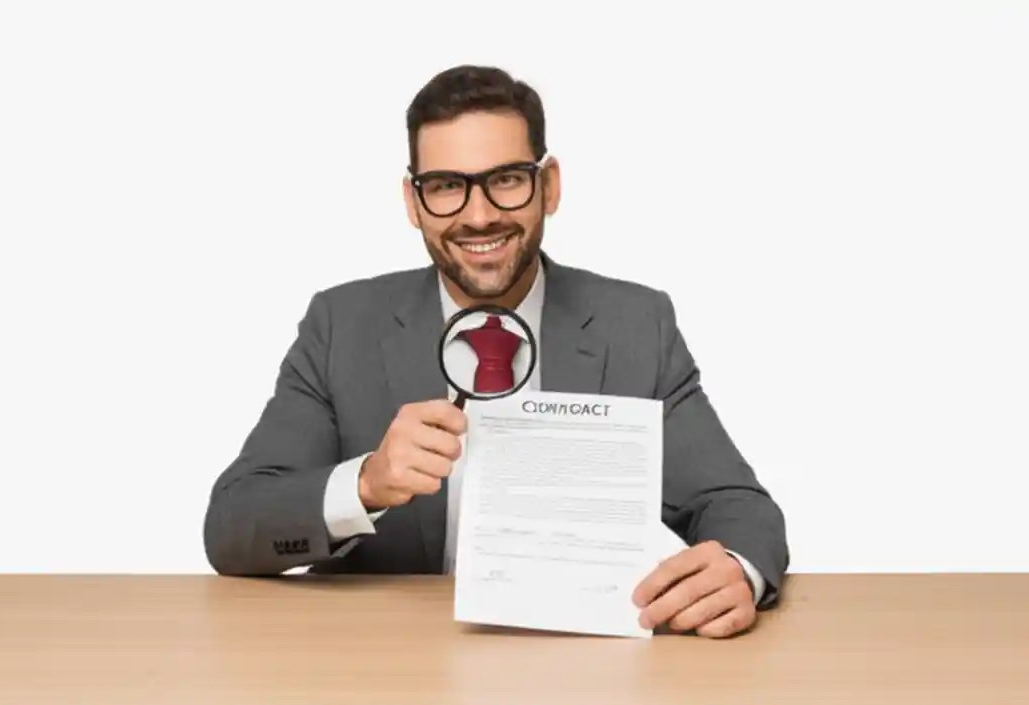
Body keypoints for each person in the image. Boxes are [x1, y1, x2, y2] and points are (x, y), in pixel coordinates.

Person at [203, 64, 788, 638]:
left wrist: (737, 568)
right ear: (413, 201)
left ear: (549, 185)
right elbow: (232, 527)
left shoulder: (634, 324)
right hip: (390, 673)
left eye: (506, 179)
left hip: (580, 668)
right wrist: (367, 483)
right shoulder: (341, 325)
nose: (478, 215)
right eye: (447, 187)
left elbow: (738, 505)